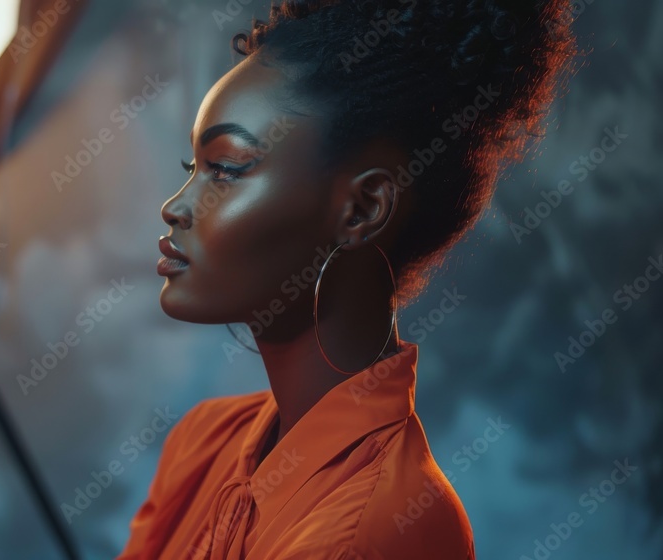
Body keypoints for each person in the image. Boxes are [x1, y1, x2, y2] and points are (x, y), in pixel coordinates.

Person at [121, 1, 577, 558]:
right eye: (191, 170)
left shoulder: (389, 525)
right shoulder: (204, 442)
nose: (176, 207)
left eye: (227, 168)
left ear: (362, 209)